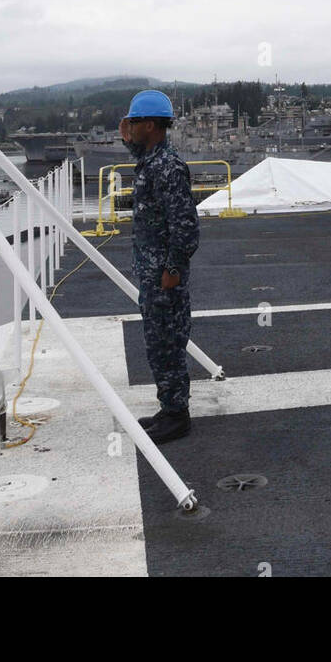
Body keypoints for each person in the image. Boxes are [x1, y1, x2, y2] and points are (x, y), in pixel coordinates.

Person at [119, 89, 200, 445]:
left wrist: (173, 270)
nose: (130, 128)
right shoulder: (152, 160)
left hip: (163, 275)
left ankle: (177, 415)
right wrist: (127, 138)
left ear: (150, 125)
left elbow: (185, 225)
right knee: (157, 343)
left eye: (134, 123)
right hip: (152, 273)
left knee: (168, 342)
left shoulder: (167, 167)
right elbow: (141, 150)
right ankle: (169, 407)